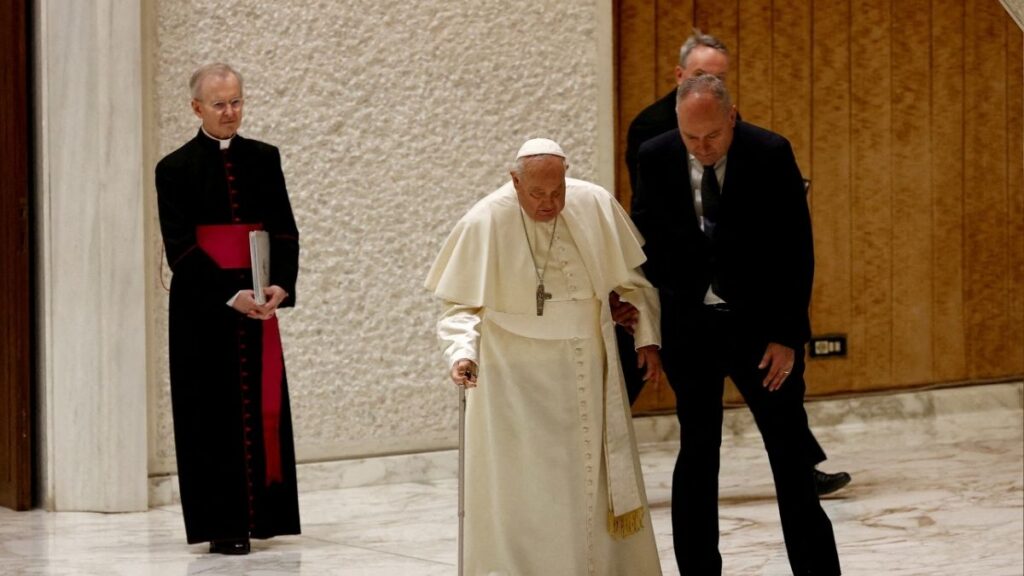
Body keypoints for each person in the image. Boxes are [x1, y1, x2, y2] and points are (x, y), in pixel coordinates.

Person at [619, 29, 850, 497]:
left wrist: (786, 330)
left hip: (745, 304)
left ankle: (803, 470)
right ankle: (596, 475)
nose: (702, 145)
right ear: (681, 75)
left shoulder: (751, 141)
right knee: (684, 431)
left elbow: (792, 245)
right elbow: (653, 225)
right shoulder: (654, 136)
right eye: (703, 74)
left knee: (779, 419)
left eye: (721, 78)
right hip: (688, 304)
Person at [425, 138, 663, 575]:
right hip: (511, 380)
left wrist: (646, 336)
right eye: (537, 194)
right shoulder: (485, 220)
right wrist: (461, 353)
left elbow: (634, 283)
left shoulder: (593, 204)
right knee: (527, 492)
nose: (549, 203)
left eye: (557, 192)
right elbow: (459, 306)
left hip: (586, 367)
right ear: (515, 182)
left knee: (586, 486)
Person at [155, 63, 301, 555]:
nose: (230, 112)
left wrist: (279, 285)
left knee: (261, 411)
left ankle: (265, 519)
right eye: (219, 104)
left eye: (236, 101)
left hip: (260, 303)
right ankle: (223, 525)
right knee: (210, 416)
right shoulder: (173, 169)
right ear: (196, 108)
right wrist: (229, 295)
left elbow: (284, 229)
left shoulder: (265, 158)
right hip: (203, 310)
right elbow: (181, 250)